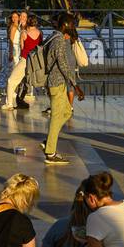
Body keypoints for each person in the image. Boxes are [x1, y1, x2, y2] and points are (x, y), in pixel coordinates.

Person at [42, 13, 84, 165]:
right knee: (56, 118)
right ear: (66, 24)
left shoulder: (54, 36)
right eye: (72, 24)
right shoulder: (59, 40)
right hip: (57, 82)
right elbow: (63, 65)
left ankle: (49, 142)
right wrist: (76, 85)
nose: (73, 27)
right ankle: (50, 152)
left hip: (56, 82)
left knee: (66, 112)